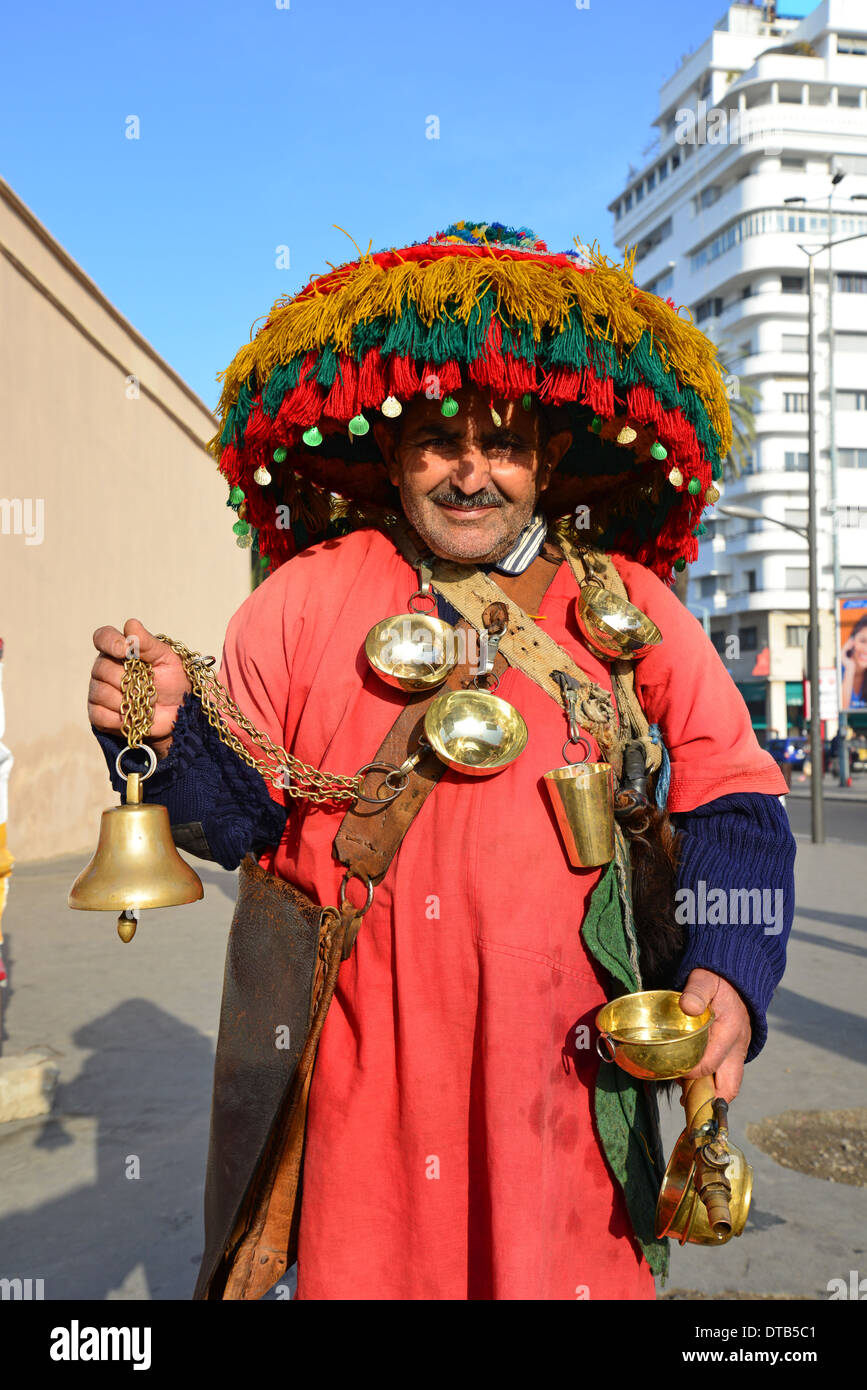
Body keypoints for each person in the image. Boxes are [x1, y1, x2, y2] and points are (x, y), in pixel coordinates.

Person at [87, 220, 795, 1301]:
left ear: (548, 461)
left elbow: (735, 799)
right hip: (364, 1089)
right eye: (439, 440)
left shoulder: (635, 611)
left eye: (503, 443)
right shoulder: (303, 598)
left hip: (565, 1085)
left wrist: (731, 974)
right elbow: (235, 819)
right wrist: (161, 733)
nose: (473, 472)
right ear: (394, 453)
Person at [841, 615, 867, 710]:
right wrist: (849, 670)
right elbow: (843, 710)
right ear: (851, 642)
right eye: (863, 641)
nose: (865, 649)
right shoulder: (841, 671)